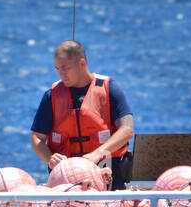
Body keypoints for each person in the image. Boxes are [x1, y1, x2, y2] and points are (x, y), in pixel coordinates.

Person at [29, 41, 135, 190]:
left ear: (82, 63)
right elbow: (37, 137)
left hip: (108, 173)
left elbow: (127, 130)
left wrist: (98, 154)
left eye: (66, 68)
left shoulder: (109, 89)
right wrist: (50, 158)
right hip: (66, 179)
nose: (61, 74)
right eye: (58, 69)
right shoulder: (51, 96)